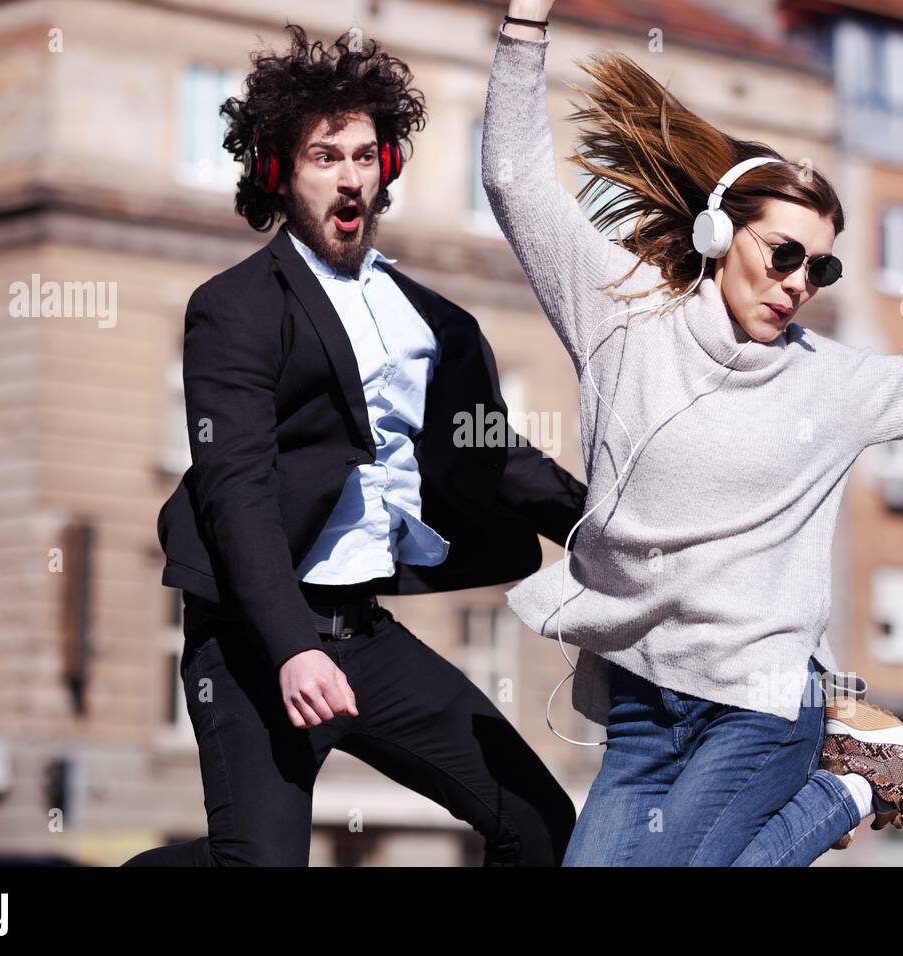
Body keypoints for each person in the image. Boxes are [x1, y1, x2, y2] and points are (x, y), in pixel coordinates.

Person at [485, 0, 903, 866]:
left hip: (762, 702)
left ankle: (851, 787)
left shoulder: (825, 380)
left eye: (820, 268)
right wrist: (523, 28)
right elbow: (516, 182)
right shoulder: (621, 319)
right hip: (643, 704)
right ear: (717, 232)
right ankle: (862, 776)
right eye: (784, 254)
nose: (798, 282)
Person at [124, 23, 586, 867]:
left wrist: (609, 529)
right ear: (279, 172)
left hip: (363, 635)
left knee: (542, 825)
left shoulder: (430, 321)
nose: (349, 176)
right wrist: (292, 647)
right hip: (254, 637)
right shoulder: (235, 308)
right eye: (324, 156)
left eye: (365, 156)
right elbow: (235, 490)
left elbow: (491, 455)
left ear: (388, 168)